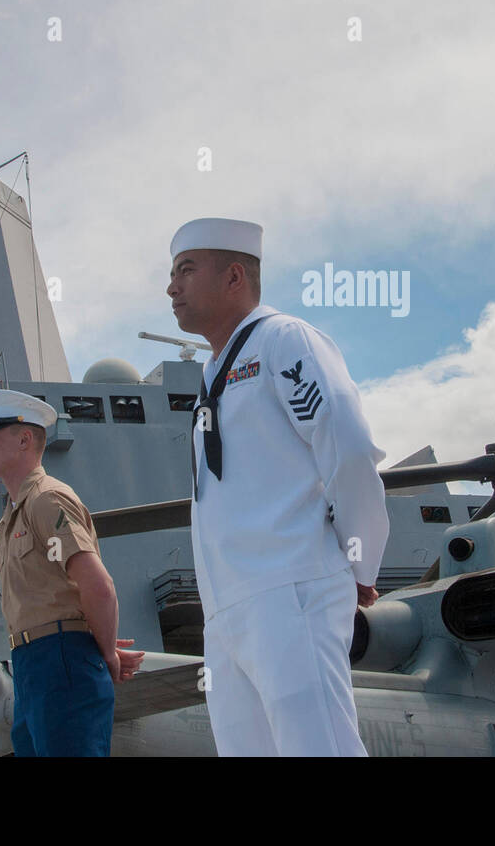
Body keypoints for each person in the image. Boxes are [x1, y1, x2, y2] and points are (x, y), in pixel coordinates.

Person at [167, 217, 389, 756]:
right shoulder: (217, 368)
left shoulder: (283, 340)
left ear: (234, 276)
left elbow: (348, 443)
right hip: (226, 612)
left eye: (186, 271)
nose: (171, 288)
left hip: (290, 588)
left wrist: (360, 561)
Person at [0, 388, 142, 756]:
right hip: (33, 663)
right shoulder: (12, 516)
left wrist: (103, 654)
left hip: (59, 659)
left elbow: (98, 586)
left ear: (24, 439)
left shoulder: (47, 499)